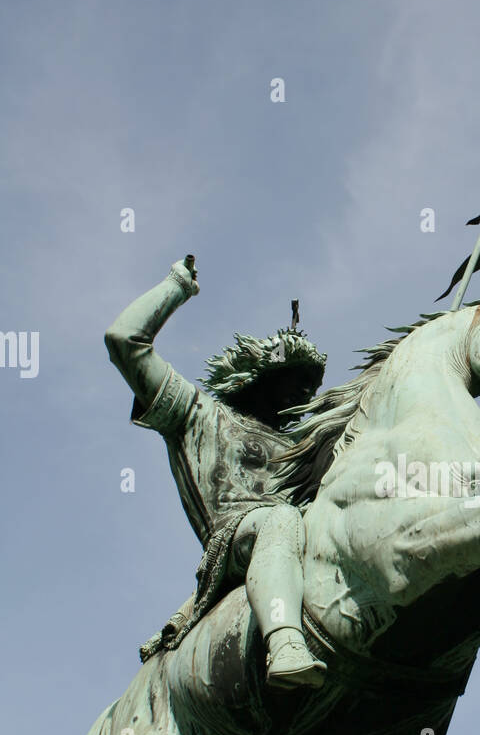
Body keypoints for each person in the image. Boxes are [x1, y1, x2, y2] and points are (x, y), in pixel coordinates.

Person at [105, 255, 327, 688]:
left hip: (300, 541)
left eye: (313, 384)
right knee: (278, 519)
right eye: (297, 377)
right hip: (235, 541)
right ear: (263, 376)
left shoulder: (303, 447)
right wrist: (177, 285)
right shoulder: (199, 414)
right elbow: (124, 340)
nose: (308, 390)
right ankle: (284, 644)